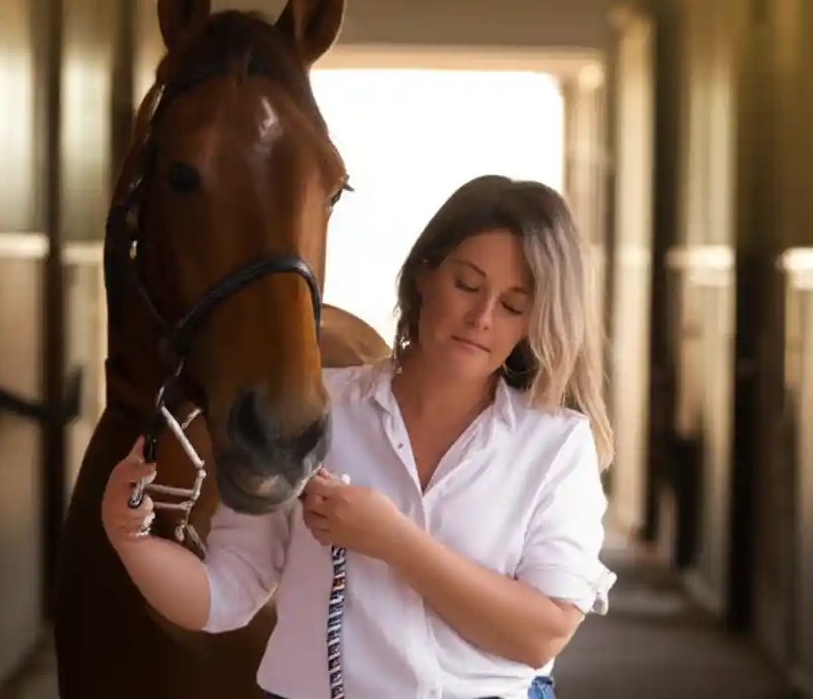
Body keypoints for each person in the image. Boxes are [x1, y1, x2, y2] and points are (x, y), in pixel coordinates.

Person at [101, 175, 617, 699]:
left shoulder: (557, 446)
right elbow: (223, 596)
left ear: (533, 321)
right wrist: (129, 538)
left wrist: (393, 541)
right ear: (424, 274)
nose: (481, 318)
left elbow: (541, 634)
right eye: (467, 284)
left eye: (512, 305)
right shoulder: (314, 411)